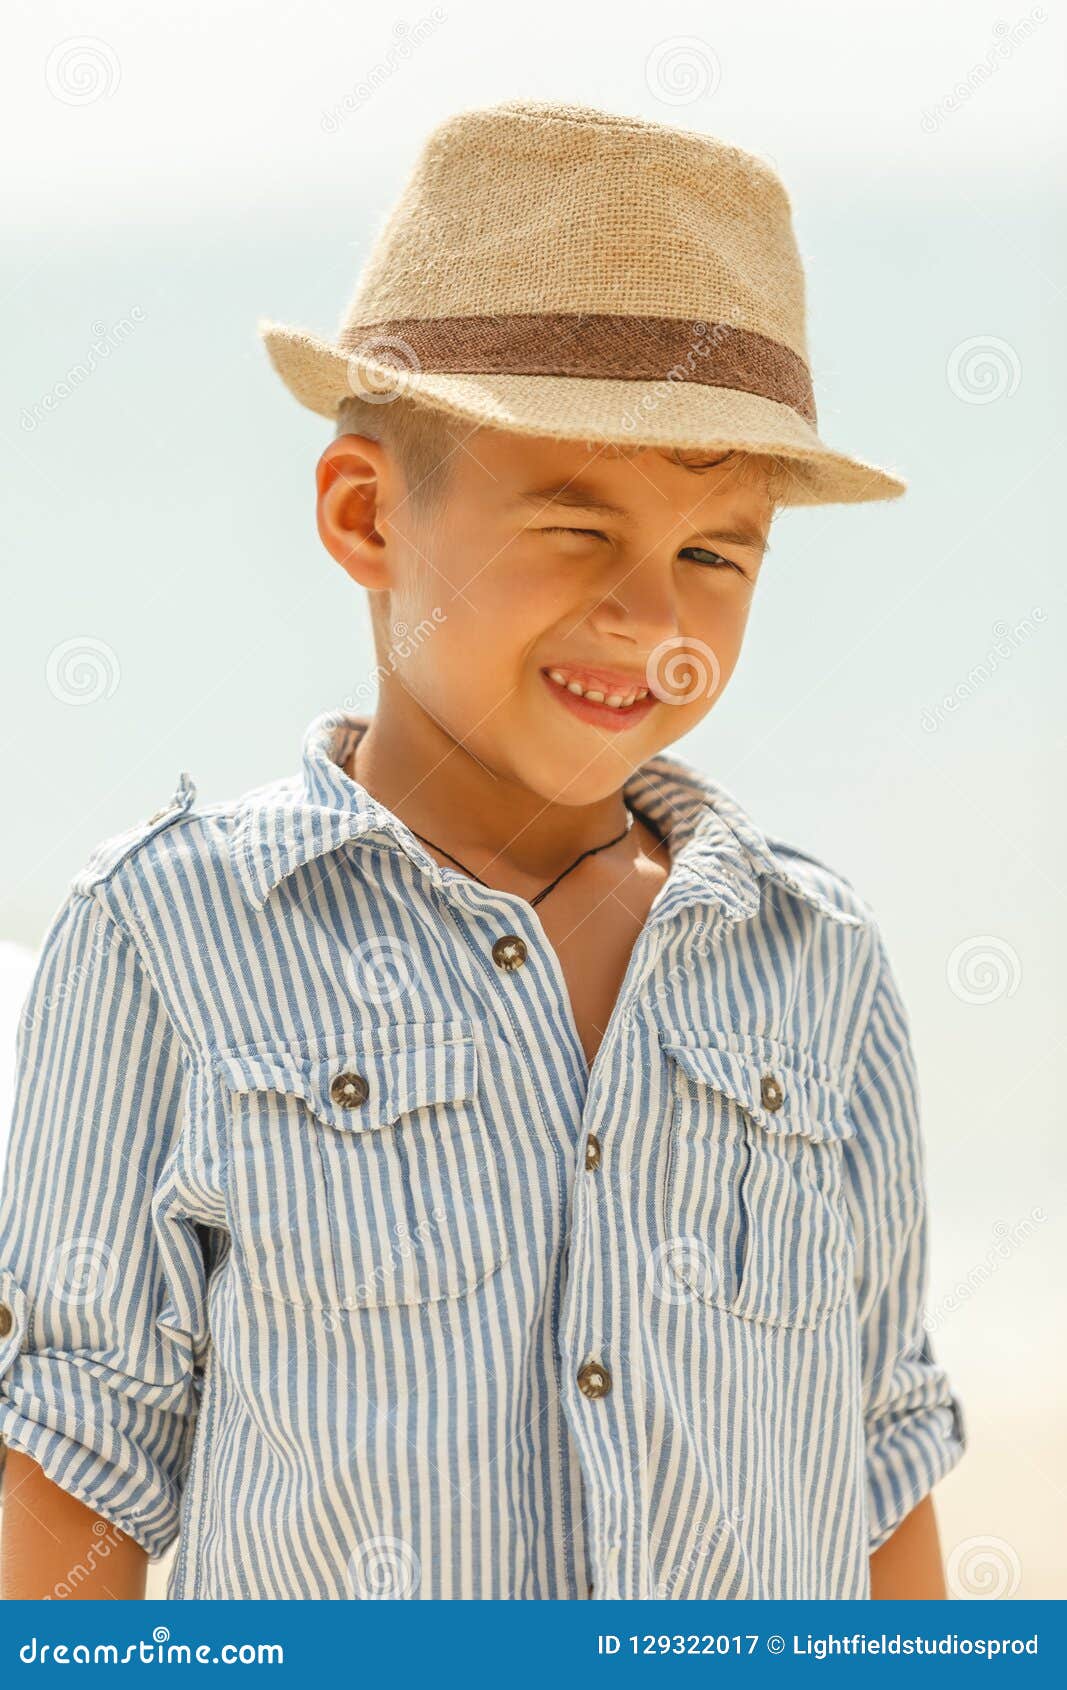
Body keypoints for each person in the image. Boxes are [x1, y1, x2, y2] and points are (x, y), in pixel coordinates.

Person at [0, 99, 965, 1600]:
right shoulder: (165, 933)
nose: (652, 622)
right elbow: (77, 1460)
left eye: (714, 552)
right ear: (366, 510)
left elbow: (880, 1455)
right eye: (576, 530)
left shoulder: (819, 964)